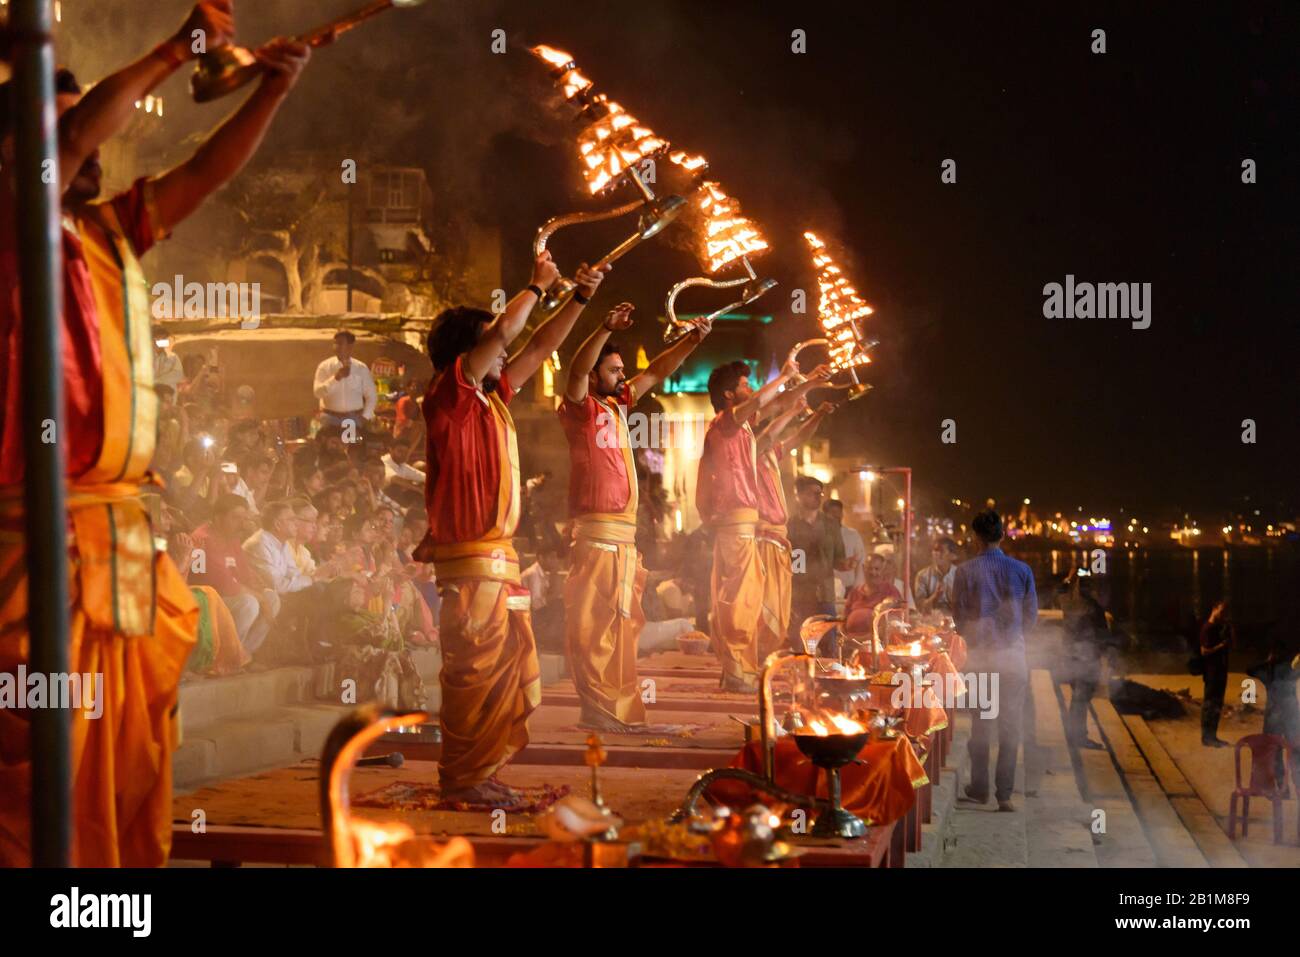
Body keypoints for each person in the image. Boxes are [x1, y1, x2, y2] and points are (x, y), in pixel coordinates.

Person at [0, 2, 310, 866]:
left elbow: (205, 173)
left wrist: (270, 94)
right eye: (68, 127)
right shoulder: (9, 225)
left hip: (120, 549)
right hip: (37, 556)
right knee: (48, 788)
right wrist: (182, 49)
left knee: (125, 773)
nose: (92, 146)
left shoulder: (104, 233)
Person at [416, 250, 607, 806]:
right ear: (465, 354)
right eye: (490, 348)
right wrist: (537, 285)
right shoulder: (449, 395)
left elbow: (541, 346)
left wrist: (580, 298)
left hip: (497, 560)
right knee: (474, 669)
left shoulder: (492, 397)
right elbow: (505, 333)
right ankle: (463, 779)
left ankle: (481, 771)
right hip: (472, 560)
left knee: (499, 670)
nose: (504, 356)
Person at [557, 302, 710, 729]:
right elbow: (573, 372)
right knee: (594, 626)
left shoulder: (618, 405)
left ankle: (614, 705)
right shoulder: (580, 408)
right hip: (597, 535)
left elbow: (657, 372)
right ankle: (596, 707)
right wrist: (603, 327)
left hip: (624, 541)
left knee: (622, 627)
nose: (622, 376)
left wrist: (691, 341)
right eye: (612, 370)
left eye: (622, 370)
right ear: (593, 375)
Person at [695, 357, 803, 691]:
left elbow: (776, 402)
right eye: (744, 384)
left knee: (747, 601)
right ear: (729, 395)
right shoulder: (724, 424)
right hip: (735, 527)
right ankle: (736, 671)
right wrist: (784, 375)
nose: (751, 389)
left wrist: (809, 381)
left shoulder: (742, 427)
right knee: (738, 602)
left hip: (745, 528)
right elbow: (762, 401)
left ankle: (741, 669)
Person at [951, 508, 1038, 812]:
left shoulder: (964, 572)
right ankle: (1005, 795)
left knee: (981, 725)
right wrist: (1012, 638)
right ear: (1002, 535)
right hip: (1013, 659)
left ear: (975, 539)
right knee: (1011, 727)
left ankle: (979, 788)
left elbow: (959, 618)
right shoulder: (1022, 571)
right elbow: (1030, 617)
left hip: (980, 660)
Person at [751, 385, 833, 661]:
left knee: (778, 608)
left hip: (776, 542)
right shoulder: (749, 449)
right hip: (761, 542)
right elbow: (768, 435)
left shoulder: (771, 452)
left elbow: (799, 437)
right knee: (764, 606)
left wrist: (817, 415)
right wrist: (794, 409)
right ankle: (760, 662)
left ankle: (771, 659)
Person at [786, 475, 847, 650]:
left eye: (820, 494)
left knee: (829, 644)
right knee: (802, 646)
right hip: (799, 596)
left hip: (825, 595)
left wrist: (846, 564)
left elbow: (838, 560)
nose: (818, 497)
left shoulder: (830, 525)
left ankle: (829, 675)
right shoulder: (790, 526)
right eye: (812, 493)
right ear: (799, 495)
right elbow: (787, 561)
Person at [1058, 571, 1109, 749]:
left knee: (1077, 697)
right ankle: (1078, 736)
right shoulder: (1093, 608)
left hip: (1070, 656)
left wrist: (1070, 576)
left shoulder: (1069, 604)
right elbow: (1103, 635)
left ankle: (1074, 734)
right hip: (1087, 657)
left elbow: (1061, 589)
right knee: (1082, 698)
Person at [313, 330, 378, 432]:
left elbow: (372, 395)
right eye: (335, 343)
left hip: (352, 419)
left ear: (350, 346)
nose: (336, 347)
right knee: (330, 446)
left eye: (340, 343)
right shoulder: (324, 367)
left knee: (350, 446)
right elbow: (317, 393)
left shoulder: (361, 368)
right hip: (330, 418)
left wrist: (365, 416)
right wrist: (336, 378)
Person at [1198, 600, 1233, 747]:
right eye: (1222, 611)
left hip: (1221, 671)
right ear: (1214, 609)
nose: (1224, 615)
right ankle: (1207, 737)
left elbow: (1231, 646)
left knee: (1217, 704)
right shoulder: (1207, 628)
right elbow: (1204, 651)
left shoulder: (1220, 628)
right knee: (1210, 704)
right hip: (1212, 672)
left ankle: (1212, 736)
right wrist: (1220, 646)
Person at [844, 552, 903, 636]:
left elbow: (894, 624)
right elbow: (844, 619)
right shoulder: (855, 592)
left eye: (877, 569)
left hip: (876, 643)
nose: (873, 572)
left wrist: (863, 639)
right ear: (864, 568)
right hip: (850, 642)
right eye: (870, 568)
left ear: (882, 570)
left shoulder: (890, 591)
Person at [826, 498, 866, 604]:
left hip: (850, 589)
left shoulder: (852, 535)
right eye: (832, 512)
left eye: (839, 512)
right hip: (827, 590)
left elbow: (861, 562)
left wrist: (857, 589)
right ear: (825, 514)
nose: (836, 516)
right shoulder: (820, 535)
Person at [914, 536, 960, 615]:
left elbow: (968, 608)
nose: (936, 554)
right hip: (930, 623)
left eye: (941, 551)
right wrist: (935, 597)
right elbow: (919, 606)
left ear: (952, 556)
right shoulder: (922, 576)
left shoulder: (960, 575)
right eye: (935, 550)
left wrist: (952, 599)